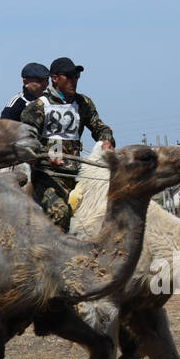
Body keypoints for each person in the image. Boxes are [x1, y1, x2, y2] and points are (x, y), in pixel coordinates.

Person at [20, 56, 114, 231]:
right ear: (55, 78)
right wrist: (46, 154)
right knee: (60, 214)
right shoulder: (38, 106)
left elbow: (99, 127)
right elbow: (26, 141)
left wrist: (106, 140)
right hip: (47, 175)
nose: (74, 81)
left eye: (76, 77)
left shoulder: (83, 103)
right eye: (68, 76)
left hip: (77, 173)